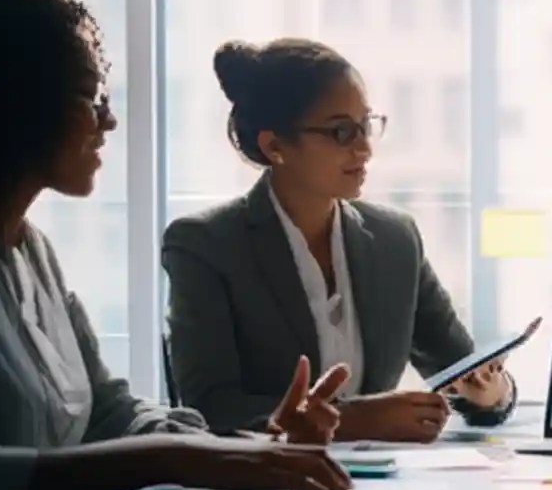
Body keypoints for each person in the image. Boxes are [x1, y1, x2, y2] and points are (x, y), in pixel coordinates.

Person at [0, 0, 351, 490]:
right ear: (15, 98)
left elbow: (110, 411)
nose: (108, 120)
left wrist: (245, 447)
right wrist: (176, 458)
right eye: (92, 97)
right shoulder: (204, 241)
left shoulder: (32, 253)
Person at [162, 37, 517, 442]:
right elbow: (210, 406)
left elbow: (462, 369)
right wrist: (355, 420)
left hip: (383, 484)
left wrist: (491, 393)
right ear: (274, 145)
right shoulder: (205, 244)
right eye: (341, 132)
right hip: (263, 489)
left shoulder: (395, 238)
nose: (365, 148)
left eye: (366, 125)